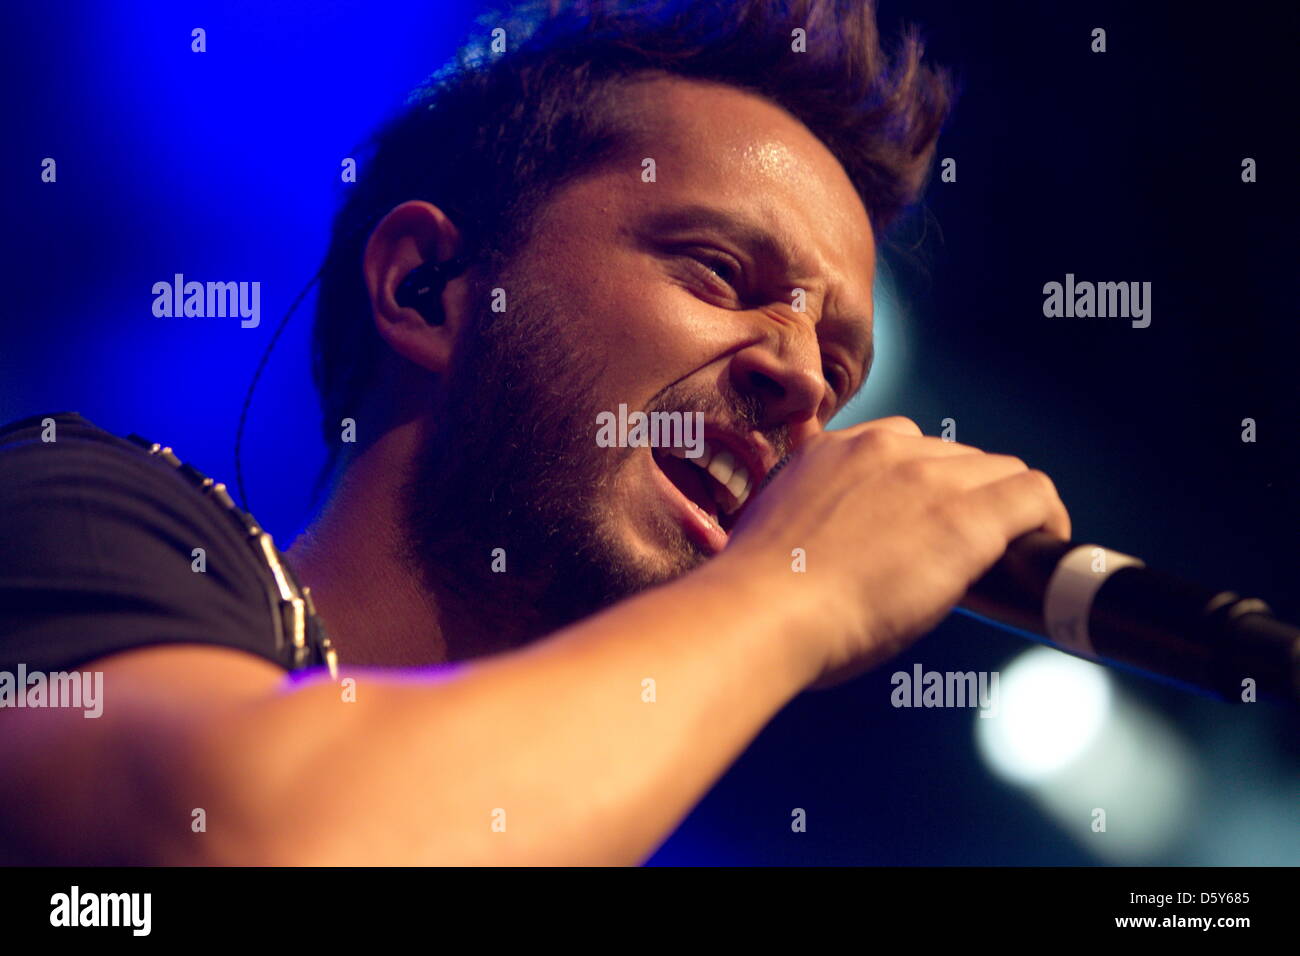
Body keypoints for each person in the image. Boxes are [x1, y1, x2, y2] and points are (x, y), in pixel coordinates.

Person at [0, 0, 1070, 865]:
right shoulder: (87, 511)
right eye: (718, 273)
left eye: (840, 373)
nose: (798, 380)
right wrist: (797, 595)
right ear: (427, 288)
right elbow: (253, 842)